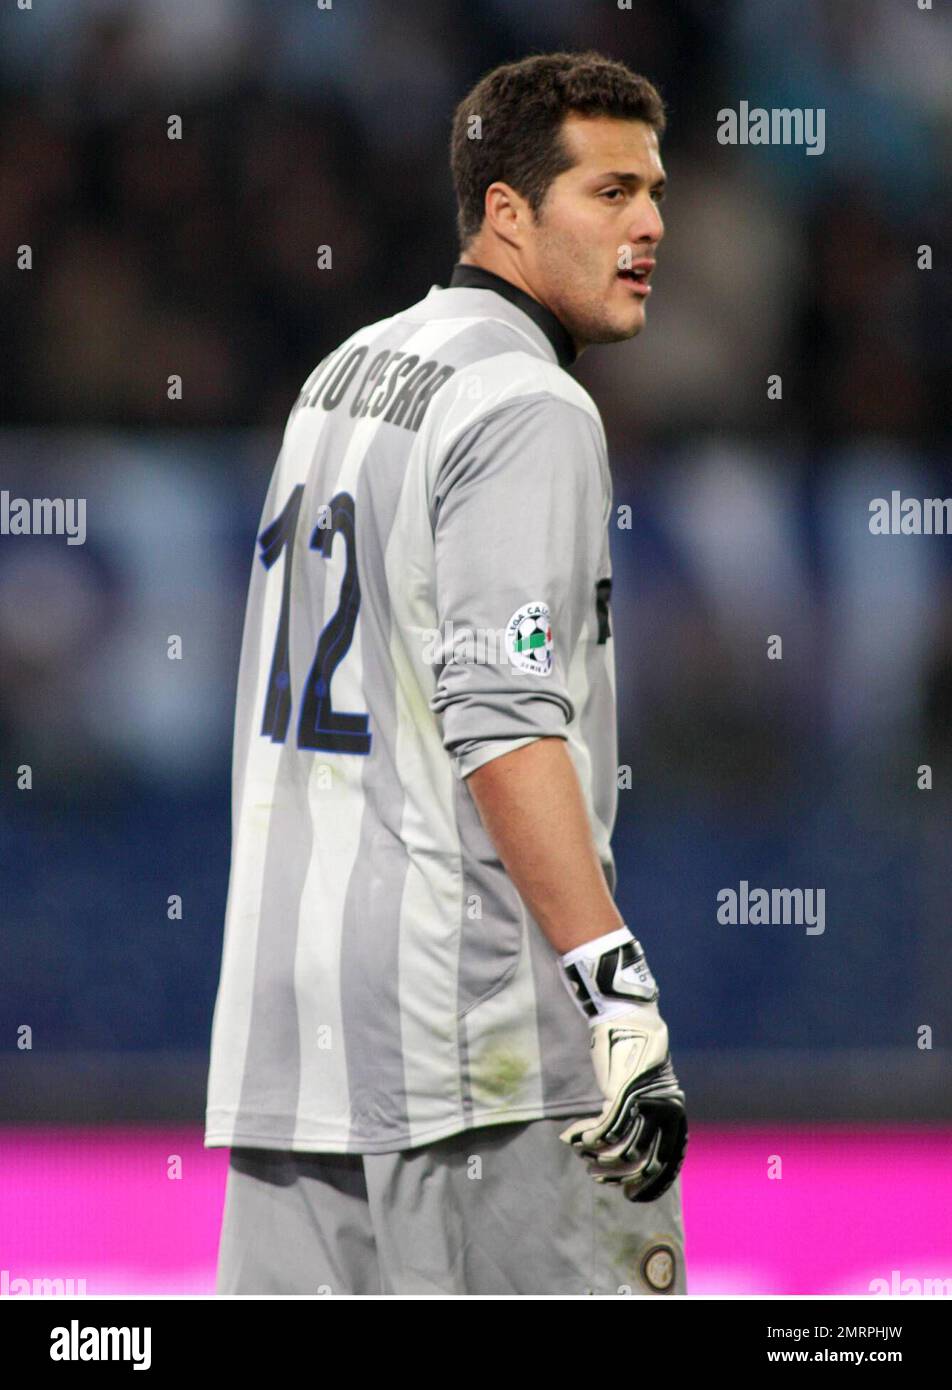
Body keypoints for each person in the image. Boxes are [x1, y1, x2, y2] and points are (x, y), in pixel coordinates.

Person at [205, 49, 688, 1296]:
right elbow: (506, 721)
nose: (648, 225)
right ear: (506, 212)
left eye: (654, 192)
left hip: (292, 1040)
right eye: (610, 191)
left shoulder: (342, 374)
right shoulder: (526, 403)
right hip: (476, 1053)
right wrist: (612, 990)